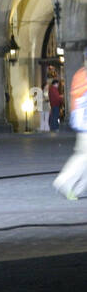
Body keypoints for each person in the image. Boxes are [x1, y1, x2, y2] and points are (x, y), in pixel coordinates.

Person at [53, 66, 87, 200]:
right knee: (83, 157)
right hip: (85, 124)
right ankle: (64, 181)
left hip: (82, 123)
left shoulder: (81, 74)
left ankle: (77, 190)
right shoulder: (84, 76)